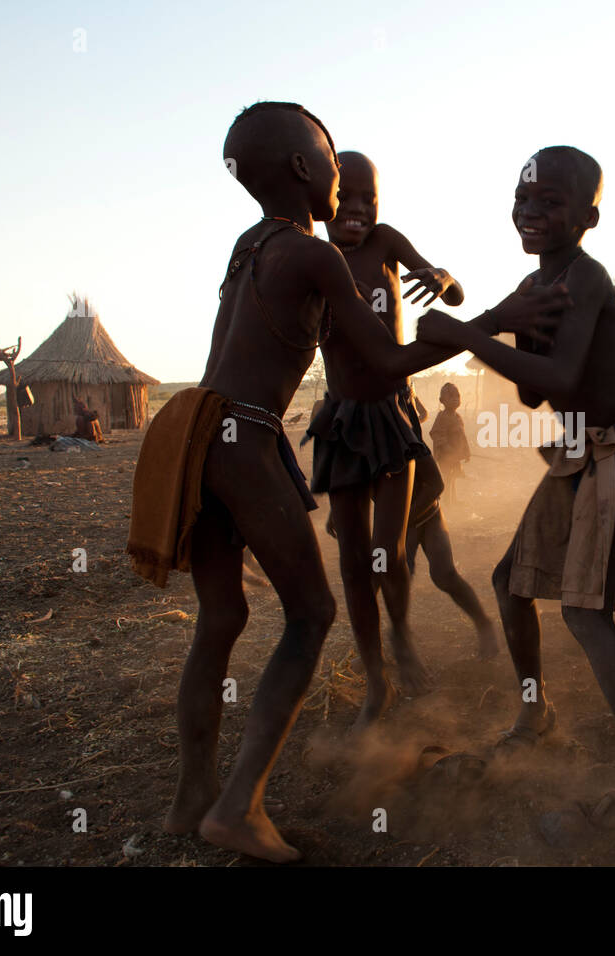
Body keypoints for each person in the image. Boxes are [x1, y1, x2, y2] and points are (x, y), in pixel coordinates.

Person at [125, 101, 562, 862]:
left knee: (220, 620)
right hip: (249, 438)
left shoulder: (247, 245)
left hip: (197, 431)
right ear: (304, 168)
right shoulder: (314, 254)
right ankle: (238, 807)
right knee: (309, 614)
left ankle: (191, 796)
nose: (342, 177)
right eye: (331, 158)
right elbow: (385, 364)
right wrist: (495, 317)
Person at [417, 146, 615, 827]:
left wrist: (468, 329)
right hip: (577, 456)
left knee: (584, 613)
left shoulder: (586, 277)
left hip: (611, 451)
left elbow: (562, 381)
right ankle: (533, 711)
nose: (531, 211)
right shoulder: (545, 283)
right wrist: (512, 318)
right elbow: (530, 386)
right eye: (524, 199)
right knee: (510, 584)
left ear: (589, 216)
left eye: (551, 202)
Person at [301, 148, 563, 724]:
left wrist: (445, 281)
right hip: (343, 420)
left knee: (387, 554)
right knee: (351, 560)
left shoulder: (386, 242)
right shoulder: (315, 259)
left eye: (369, 198)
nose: (358, 210)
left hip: (392, 415)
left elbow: (453, 294)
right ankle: (376, 679)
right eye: (346, 198)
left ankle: (400, 634)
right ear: (324, 202)